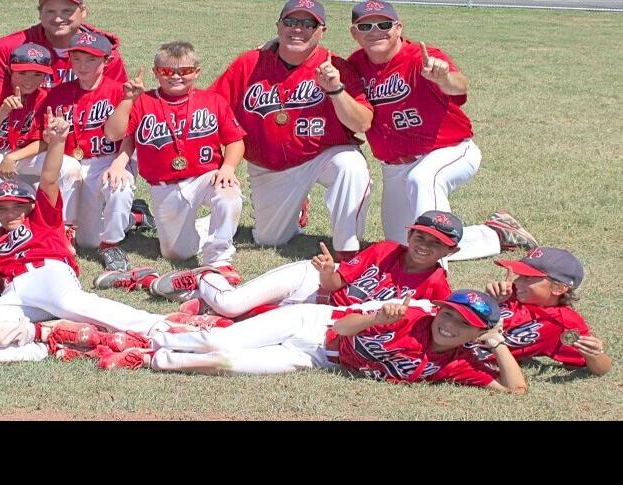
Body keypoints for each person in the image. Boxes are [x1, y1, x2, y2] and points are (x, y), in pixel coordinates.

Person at [0, 107, 181, 338]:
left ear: (31, 206)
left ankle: (160, 326)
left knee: (81, 307)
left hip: (48, 275)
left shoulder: (42, 219)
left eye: (18, 206)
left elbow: (49, 178)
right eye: (2, 208)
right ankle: (45, 334)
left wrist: (57, 142)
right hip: (15, 292)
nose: (10, 213)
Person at [344, 1, 537, 261]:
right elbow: (314, 61)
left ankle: (434, 272)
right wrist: (273, 47)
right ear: (354, 33)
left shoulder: (421, 57)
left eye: (384, 24)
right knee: (401, 246)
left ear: (398, 28)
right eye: (365, 26)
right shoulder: (355, 64)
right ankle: (496, 234)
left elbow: (459, 85)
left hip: (449, 150)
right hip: (395, 166)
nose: (375, 31)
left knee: (423, 179)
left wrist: (444, 78)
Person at [98, 290, 529, 394]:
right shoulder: (411, 316)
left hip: (315, 361)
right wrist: (378, 317)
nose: (449, 326)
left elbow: (515, 390)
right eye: (448, 314)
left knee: (224, 362)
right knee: (216, 340)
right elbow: (342, 330)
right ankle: (140, 332)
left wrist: (497, 344)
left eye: (463, 324)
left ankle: (145, 357)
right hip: (311, 324)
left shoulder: (456, 362)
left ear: (476, 333)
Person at [209, 0, 373, 260]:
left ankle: (347, 250)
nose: (298, 29)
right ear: (278, 26)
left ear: (322, 31)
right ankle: (296, 208)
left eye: (308, 23)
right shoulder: (250, 63)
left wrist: (335, 90)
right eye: (291, 22)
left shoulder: (336, 67)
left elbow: (362, 123)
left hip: (324, 155)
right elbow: (212, 107)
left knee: (351, 167)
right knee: (269, 239)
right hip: (271, 166)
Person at [103, 41, 245, 281]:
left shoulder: (212, 100)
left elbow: (235, 140)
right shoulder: (143, 101)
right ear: (156, 72)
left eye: (185, 71)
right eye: (167, 71)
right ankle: (208, 225)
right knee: (176, 254)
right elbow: (115, 135)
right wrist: (128, 100)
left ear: (197, 72)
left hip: (204, 176)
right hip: (164, 184)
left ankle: (219, 260)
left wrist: (229, 167)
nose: (176, 77)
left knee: (228, 194)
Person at [154, 210, 459, 316]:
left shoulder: (436, 285)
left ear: (449, 251)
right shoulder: (387, 251)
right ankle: (208, 276)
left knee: (237, 318)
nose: (424, 246)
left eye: (436, 243)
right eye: (421, 237)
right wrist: (327, 272)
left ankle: (200, 297)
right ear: (410, 235)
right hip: (312, 280)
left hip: (320, 314)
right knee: (232, 306)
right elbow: (336, 284)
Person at [32, 32, 136, 271]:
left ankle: (112, 244)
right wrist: (52, 134)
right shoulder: (58, 93)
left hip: (106, 160)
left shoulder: (120, 91)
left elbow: (128, 136)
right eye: (77, 59)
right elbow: (46, 136)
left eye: (91, 60)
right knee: (85, 239)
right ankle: (65, 234)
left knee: (120, 185)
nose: (82, 65)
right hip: (71, 159)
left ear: (107, 62)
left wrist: (119, 164)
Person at [0, 43, 81, 237]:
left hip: (20, 155)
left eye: (37, 74)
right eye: (23, 73)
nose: (30, 80)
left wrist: (14, 157)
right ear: (10, 69)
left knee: (71, 167)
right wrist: (3, 110)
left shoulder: (43, 96)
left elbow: (43, 141)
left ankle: (65, 228)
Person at [482, 247, 611, 375]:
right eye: (520, 275)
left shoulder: (562, 322)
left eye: (528, 277)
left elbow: (601, 368)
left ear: (558, 288)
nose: (517, 281)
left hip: (467, 359)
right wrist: (491, 301)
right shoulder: (508, 293)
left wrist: (595, 354)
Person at [0, 0, 128, 90]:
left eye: (67, 11)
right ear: (40, 13)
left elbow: (118, 99)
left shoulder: (103, 51)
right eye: (50, 11)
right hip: (24, 139)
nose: (58, 18)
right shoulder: (8, 47)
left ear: (83, 11)